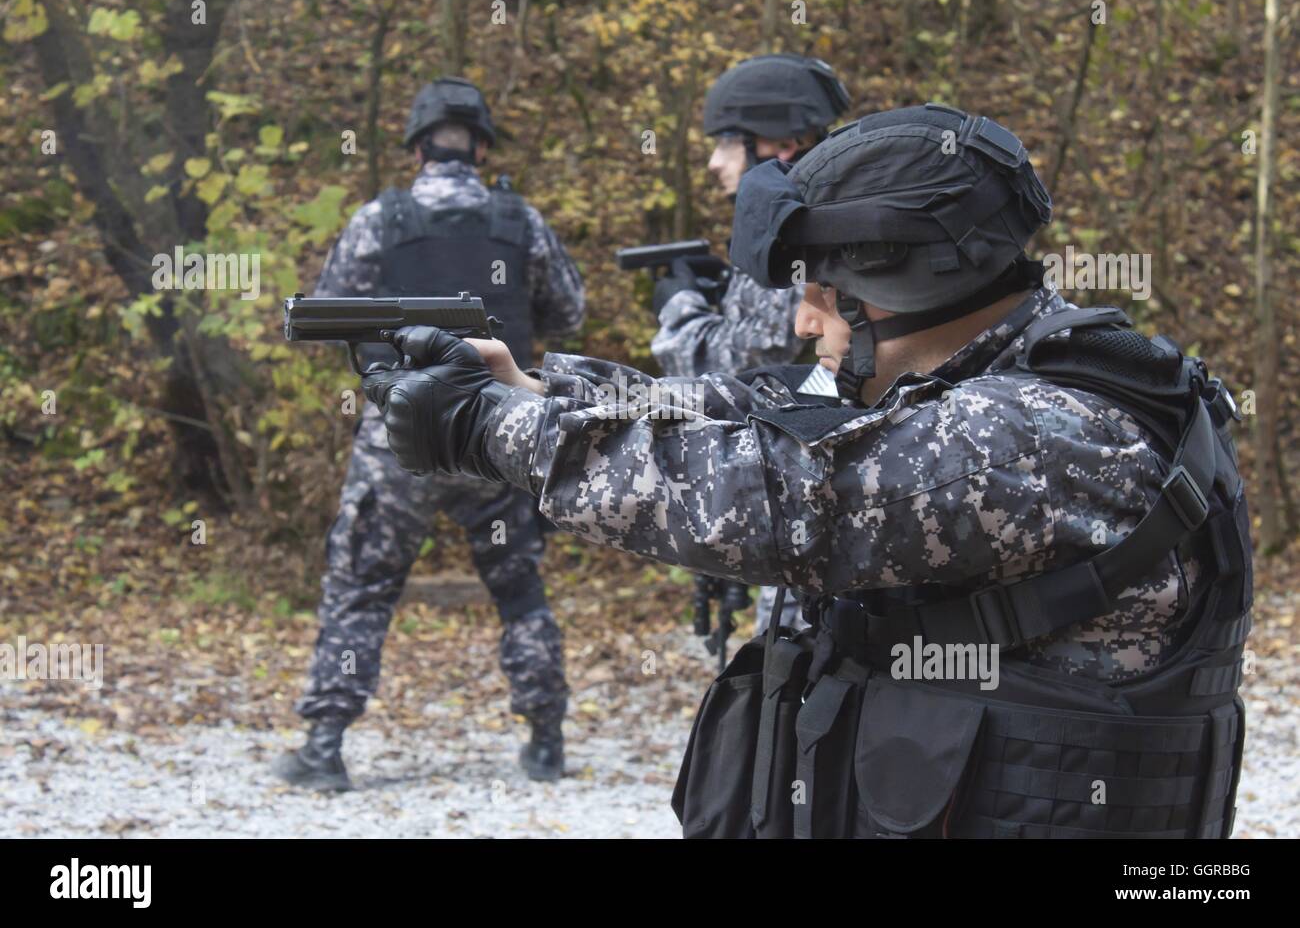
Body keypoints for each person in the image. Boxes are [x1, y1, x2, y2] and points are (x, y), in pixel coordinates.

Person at [361, 104, 1251, 838]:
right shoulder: (961, 379)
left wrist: (494, 433)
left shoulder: (1048, 431)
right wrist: (530, 388)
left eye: (822, 296)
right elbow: (739, 408)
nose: (802, 323)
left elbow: (784, 497)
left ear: (908, 284)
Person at [273, 78, 585, 790]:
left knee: (361, 585)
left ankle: (323, 746)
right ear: (480, 145)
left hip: (400, 434)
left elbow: (332, 311)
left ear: (416, 147)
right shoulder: (521, 221)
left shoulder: (377, 220)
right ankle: (545, 740)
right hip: (497, 430)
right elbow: (566, 311)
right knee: (519, 588)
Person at [649, 53, 851, 632]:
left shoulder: (794, 223)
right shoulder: (824, 210)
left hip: (807, 480)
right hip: (812, 473)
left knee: (789, 661)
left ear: (778, 143)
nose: (714, 163)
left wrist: (679, 308)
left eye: (725, 143)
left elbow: (738, 363)